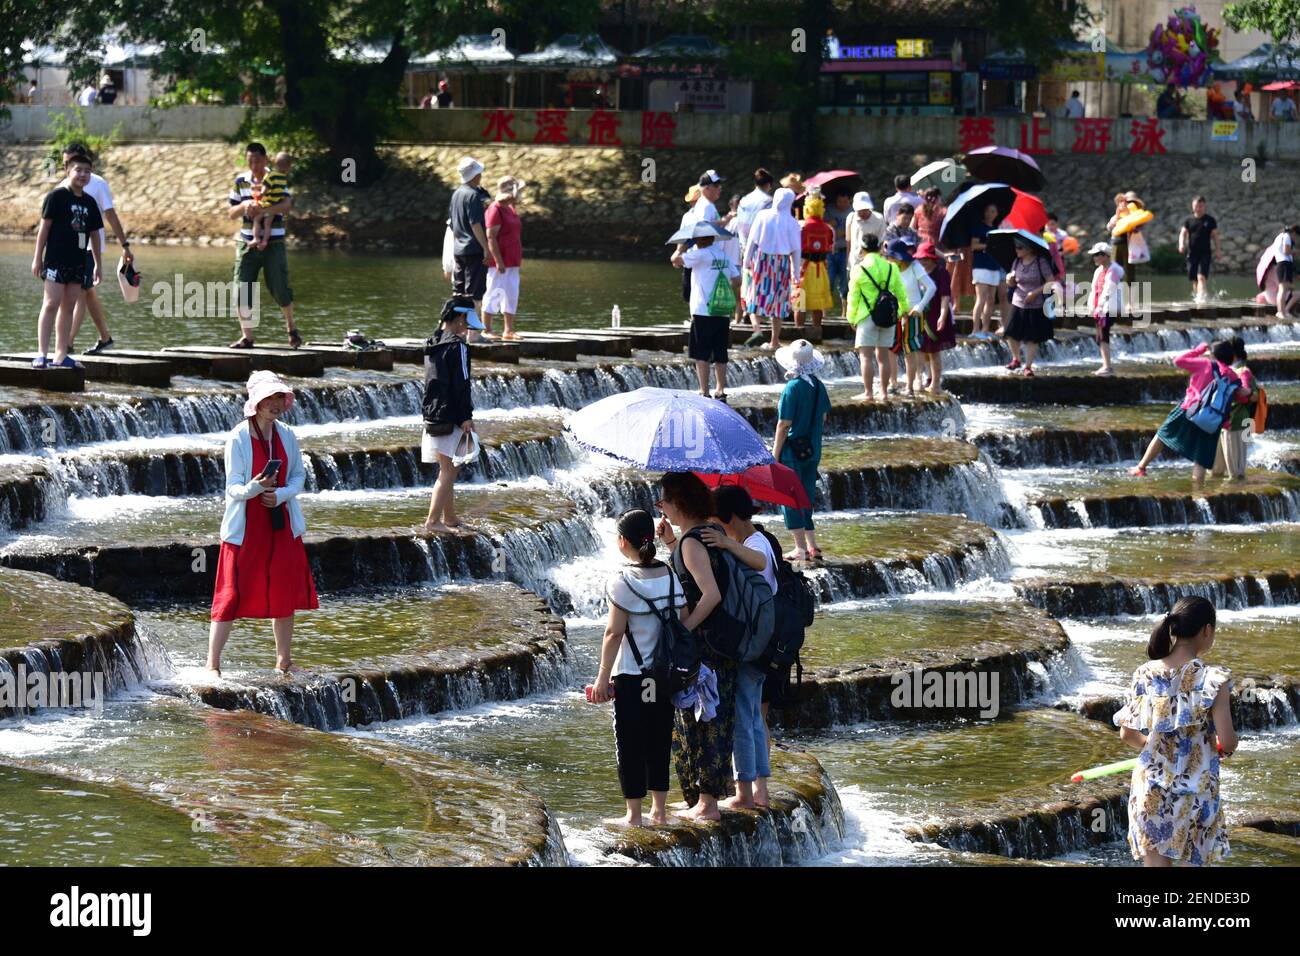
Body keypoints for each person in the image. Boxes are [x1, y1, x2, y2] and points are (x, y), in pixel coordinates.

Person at [208, 371, 318, 676]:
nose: (276, 403)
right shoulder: (238, 437)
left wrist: (280, 494)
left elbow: (298, 476)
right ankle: (213, 664)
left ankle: (284, 660)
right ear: (255, 403)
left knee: (284, 590)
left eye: (279, 397)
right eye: (269, 398)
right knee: (231, 593)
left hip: (279, 521)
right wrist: (256, 488)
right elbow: (232, 489)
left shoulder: (286, 435)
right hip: (246, 527)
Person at [1113, 596, 1236, 867]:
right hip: (1195, 794)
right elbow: (1226, 740)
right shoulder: (1214, 680)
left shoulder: (1144, 673)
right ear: (1207, 630)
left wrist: (1157, 748)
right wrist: (1223, 748)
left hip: (1151, 788)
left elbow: (1128, 734)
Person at [590, 508, 684, 828]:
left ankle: (633, 815)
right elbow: (682, 619)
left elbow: (614, 632)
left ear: (622, 542)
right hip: (663, 674)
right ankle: (659, 810)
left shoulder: (622, 580)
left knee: (630, 743)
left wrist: (602, 678)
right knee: (658, 738)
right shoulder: (669, 575)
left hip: (631, 674)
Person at [654, 473, 737, 823]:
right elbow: (696, 574)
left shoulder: (693, 541)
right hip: (722, 645)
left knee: (703, 721)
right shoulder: (705, 533)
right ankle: (704, 799)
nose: (661, 507)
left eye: (664, 500)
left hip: (705, 649)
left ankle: (707, 803)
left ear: (679, 503)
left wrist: (683, 631)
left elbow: (710, 594)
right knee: (710, 718)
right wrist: (672, 544)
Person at [699, 486, 777, 810]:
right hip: (762, 643)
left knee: (744, 716)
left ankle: (745, 791)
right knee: (754, 715)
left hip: (754, 645)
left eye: (719, 522)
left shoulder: (757, 543)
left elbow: (759, 562)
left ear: (730, 518)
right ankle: (760, 789)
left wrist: (727, 544)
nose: (718, 530)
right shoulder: (750, 540)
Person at [1129, 341, 1251, 482]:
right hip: (1212, 421)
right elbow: (1244, 395)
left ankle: (1141, 468)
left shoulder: (1205, 364)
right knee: (1200, 459)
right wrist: (1245, 378)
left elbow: (1178, 361)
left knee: (1162, 435)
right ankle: (1197, 493)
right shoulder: (1232, 377)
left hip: (1189, 410)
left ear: (1212, 354)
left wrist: (1198, 350)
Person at [57, 142, 133, 356]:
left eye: (69, 162)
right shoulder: (63, 186)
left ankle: (68, 343)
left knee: (81, 291)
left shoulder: (97, 183)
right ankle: (105, 337)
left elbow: (110, 215)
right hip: (69, 249)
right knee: (87, 292)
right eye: (64, 164)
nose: (66, 167)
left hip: (90, 247)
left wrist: (124, 245)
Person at [30, 150, 102, 370]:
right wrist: (37, 258)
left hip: (78, 262)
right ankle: (42, 353)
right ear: (67, 171)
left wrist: (98, 263)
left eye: (87, 171)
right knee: (51, 303)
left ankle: (61, 355)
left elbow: (95, 235)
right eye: (78, 170)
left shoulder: (89, 202)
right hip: (55, 261)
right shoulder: (57, 196)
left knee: (69, 306)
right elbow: (44, 229)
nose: (83, 174)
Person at [228, 142, 300, 349]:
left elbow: (287, 206)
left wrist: (265, 210)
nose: (254, 164)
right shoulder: (241, 181)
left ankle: (291, 328)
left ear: (265, 159)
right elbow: (231, 213)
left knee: (279, 287)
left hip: (274, 242)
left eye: (257, 160)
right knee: (241, 288)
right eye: (250, 160)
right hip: (246, 242)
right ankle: (247, 336)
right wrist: (244, 206)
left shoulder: (275, 177)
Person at [422, 296, 482, 532]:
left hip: (432, 411)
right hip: (452, 414)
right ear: (459, 318)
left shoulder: (433, 342)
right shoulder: (458, 347)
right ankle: (433, 521)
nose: (467, 327)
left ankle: (450, 517)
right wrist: (466, 417)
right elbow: (462, 383)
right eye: (467, 322)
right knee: (450, 470)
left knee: (445, 467)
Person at [773, 339, 831, 559]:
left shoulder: (792, 388)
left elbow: (783, 424)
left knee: (790, 498)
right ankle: (812, 545)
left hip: (791, 452)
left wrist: (775, 455)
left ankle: (799, 548)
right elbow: (824, 416)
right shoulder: (818, 385)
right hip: (813, 449)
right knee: (806, 496)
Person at [847, 233, 910, 401]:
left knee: (866, 356)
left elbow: (853, 296)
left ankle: (868, 393)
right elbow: (901, 292)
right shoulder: (892, 267)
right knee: (883, 356)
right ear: (881, 247)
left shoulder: (858, 269)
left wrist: (851, 318)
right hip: (888, 316)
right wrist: (903, 311)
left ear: (862, 249)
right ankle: (883, 392)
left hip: (866, 317)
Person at [681, 225, 740, 401]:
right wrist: (724, 291)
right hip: (721, 311)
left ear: (698, 240)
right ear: (713, 238)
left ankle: (704, 390)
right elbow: (737, 279)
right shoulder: (723, 256)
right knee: (720, 352)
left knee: (702, 352)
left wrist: (682, 246)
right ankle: (721, 390)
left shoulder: (699, 254)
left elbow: (675, 260)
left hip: (702, 310)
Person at [742, 187, 802, 350]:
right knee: (779, 301)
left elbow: (752, 242)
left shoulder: (762, 216)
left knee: (755, 295)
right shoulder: (792, 222)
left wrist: (746, 261)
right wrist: (796, 272)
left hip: (761, 260)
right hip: (781, 263)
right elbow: (796, 249)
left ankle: (757, 330)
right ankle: (774, 341)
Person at [449, 156, 495, 341]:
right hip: (473, 249)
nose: (481, 176)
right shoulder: (473, 195)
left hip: (459, 249)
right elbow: (475, 223)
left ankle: (455, 332)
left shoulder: (457, 193)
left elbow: (453, 224)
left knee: (459, 292)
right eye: (479, 173)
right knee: (475, 293)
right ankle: (474, 334)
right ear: (475, 175)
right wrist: (486, 247)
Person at [1003, 235, 1059, 378]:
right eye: (1016, 247)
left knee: (1031, 337)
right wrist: (1010, 282)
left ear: (1029, 249)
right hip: (1018, 301)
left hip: (1036, 303)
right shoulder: (1016, 262)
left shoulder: (1041, 262)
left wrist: (1035, 293)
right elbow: (1012, 283)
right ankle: (1016, 359)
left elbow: (1051, 282)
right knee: (1010, 331)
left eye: (1020, 247)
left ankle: (1028, 366)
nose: (1016, 250)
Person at [887, 239, 936, 396]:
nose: (889, 259)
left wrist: (920, 307)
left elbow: (931, 287)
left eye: (891, 257)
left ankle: (909, 386)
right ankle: (892, 384)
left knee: (909, 351)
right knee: (890, 349)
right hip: (894, 313)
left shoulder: (914, 266)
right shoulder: (890, 268)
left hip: (913, 314)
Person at [735, 168, 775, 346]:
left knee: (748, 286)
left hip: (745, 248)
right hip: (763, 251)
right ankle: (759, 323)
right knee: (763, 288)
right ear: (769, 185)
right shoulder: (769, 201)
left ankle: (749, 317)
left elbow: (740, 225)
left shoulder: (744, 200)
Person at [484, 176, 525, 341]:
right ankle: (487, 329)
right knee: (493, 293)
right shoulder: (495, 209)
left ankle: (508, 330)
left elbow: (515, 197)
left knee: (511, 294)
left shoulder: (511, 208)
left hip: (513, 260)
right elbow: (491, 237)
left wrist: (519, 186)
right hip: (499, 261)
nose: (512, 196)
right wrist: (498, 261)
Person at [1212, 337, 1258, 481]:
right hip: (1222, 423)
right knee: (1216, 471)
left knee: (1237, 473)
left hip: (1237, 422)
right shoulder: (1224, 370)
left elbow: (1254, 396)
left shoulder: (1243, 371)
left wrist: (1244, 393)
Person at [915, 241, 955, 394]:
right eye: (920, 259)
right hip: (921, 316)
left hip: (936, 315)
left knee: (934, 351)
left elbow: (946, 297)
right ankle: (925, 378)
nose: (922, 262)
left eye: (925, 259)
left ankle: (936, 383)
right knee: (920, 349)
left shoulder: (941, 273)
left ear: (932, 259)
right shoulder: (918, 273)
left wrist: (943, 316)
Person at [793, 192, 834, 331]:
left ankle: (798, 330)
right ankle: (817, 330)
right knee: (818, 304)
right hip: (821, 269)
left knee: (801, 303)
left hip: (804, 267)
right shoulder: (828, 229)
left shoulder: (801, 227)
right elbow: (831, 248)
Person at [1086, 242, 1125, 377]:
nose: (1095, 258)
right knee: (1100, 336)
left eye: (1097, 255)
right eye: (1094, 255)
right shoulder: (1099, 270)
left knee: (1103, 335)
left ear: (1106, 256)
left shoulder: (1113, 270)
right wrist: (1092, 306)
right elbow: (1094, 290)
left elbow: (1109, 289)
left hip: (1107, 308)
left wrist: (1100, 306)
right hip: (1099, 308)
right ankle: (1106, 364)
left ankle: (1107, 366)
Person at [969, 203, 1003, 341]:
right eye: (988, 211)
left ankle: (985, 329)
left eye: (993, 211)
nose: (990, 214)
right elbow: (973, 245)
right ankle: (975, 329)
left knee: (990, 300)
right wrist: (989, 245)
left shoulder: (996, 229)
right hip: (981, 265)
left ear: (996, 214)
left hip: (994, 265)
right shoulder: (979, 227)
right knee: (981, 297)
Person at [1179, 196, 1219, 305]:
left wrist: (1218, 250)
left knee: (1201, 277)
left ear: (1204, 206)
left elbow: (1215, 236)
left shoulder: (1210, 220)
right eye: (1196, 206)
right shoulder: (1189, 221)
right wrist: (1181, 244)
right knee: (1195, 280)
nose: (1198, 208)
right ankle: (1198, 299)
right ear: (1193, 206)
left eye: (1200, 206)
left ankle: (1202, 301)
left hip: (1205, 253)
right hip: (1192, 254)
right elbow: (1183, 233)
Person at [250, 153, 291, 251]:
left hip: (266, 203)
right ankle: (264, 241)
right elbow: (275, 187)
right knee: (267, 224)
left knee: (256, 220)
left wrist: (261, 193)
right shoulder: (283, 178)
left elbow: (266, 186)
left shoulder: (271, 175)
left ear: (275, 164)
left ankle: (256, 238)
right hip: (275, 205)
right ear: (287, 167)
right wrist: (258, 186)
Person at [825, 191, 852, 315]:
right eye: (839, 201)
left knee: (845, 282)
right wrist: (830, 224)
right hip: (830, 251)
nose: (842, 204)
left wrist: (845, 233)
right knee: (828, 281)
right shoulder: (828, 209)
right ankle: (824, 313)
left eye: (845, 201)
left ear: (849, 200)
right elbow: (822, 226)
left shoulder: (852, 211)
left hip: (845, 251)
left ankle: (844, 313)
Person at [846, 191, 885, 270]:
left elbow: (882, 242)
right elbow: (848, 241)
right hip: (855, 263)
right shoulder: (851, 217)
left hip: (874, 264)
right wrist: (848, 261)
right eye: (860, 210)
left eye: (865, 209)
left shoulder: (879, 218)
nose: (862, 212)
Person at [1269, 224, 1299, 321]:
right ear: (1293, 233)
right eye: (1296, 236)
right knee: (1282, 289)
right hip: (1284, 264)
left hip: (1282, 264)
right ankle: (1280, 312)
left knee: (1286, 289)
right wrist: (1295, 252)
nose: (1295, 238)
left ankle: (1284, 311)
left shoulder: (1279, 237)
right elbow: (1286, 251)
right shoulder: (1286, 236)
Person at [1122, 192, 1150, 282]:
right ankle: (1118, 294)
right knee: (1117, 270)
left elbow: (1141, 227)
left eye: (1133, 202)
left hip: (1131, 246)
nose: (1131, 204)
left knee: (1130, 272)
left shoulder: (1139, 216)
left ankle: (1130, 294)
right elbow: (1110, 227)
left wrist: (1135, 227)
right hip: (1120, 244)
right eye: (1129, 202)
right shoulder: (1120, 214)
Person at [1106, 192, 1131, 285]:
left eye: (1125, 201)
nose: (1123, 203)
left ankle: (1130, 294)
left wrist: (1127, 213)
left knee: (1129, 269)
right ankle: (1115, 289)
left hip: (1128, 245)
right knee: (1115, 267)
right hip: (1116, 244)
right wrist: (1118, 214)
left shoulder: (1133, 215)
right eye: (1120, 201)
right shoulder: (1114, 217)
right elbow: (1109, 227)